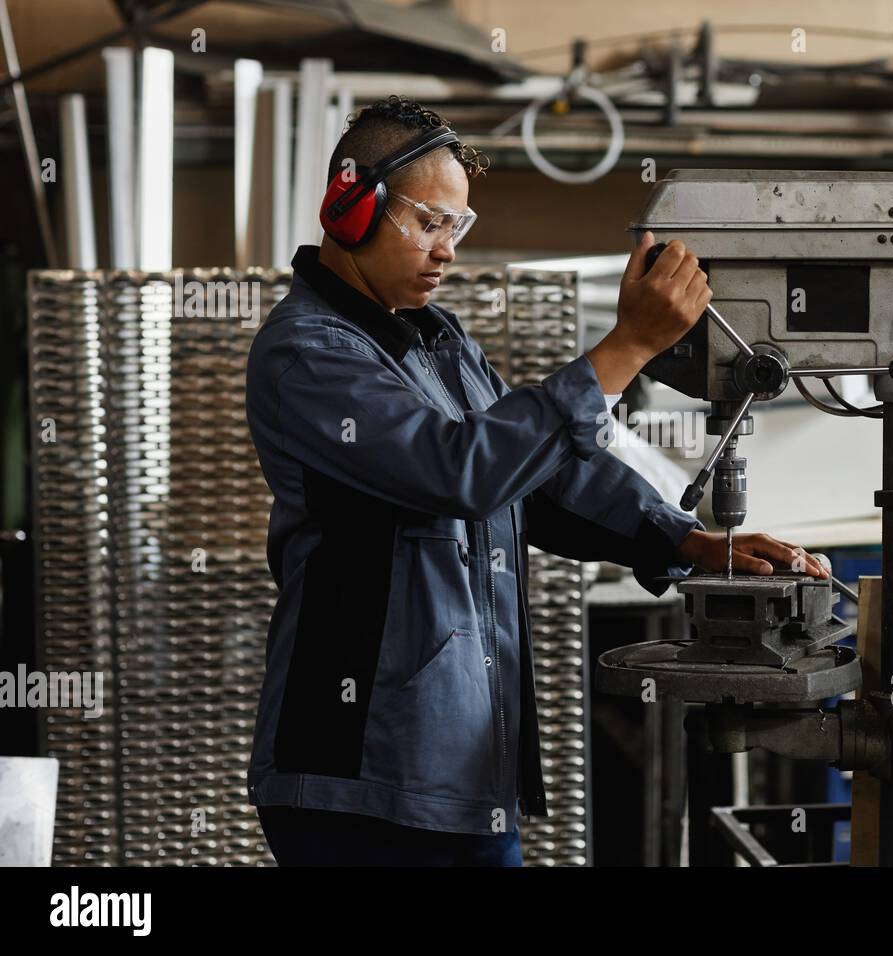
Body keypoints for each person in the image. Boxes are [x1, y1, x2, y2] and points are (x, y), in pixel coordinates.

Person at [243, 95, 827, 866]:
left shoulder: (434, 341)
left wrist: (684, 539)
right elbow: (457, 470)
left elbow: (541, 480)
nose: (446, 249)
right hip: (358, 772)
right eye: (428, 221)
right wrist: (628, 347)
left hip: (458, 760)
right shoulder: (307, 355)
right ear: (350, 207)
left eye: (457, 226)